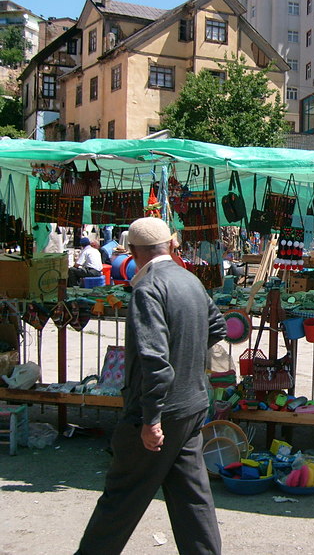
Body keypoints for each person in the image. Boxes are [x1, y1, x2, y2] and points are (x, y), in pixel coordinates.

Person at [76, 217, 226, 555]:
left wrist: (151, 418)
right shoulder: (189, 280)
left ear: (131, 252)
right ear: (171, 245)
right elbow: (218, 327)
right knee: (192, 500)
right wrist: (186, 354)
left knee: (121, 498)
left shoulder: (148, 288)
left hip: (163, 412)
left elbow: (155, 360)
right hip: (192, 406)